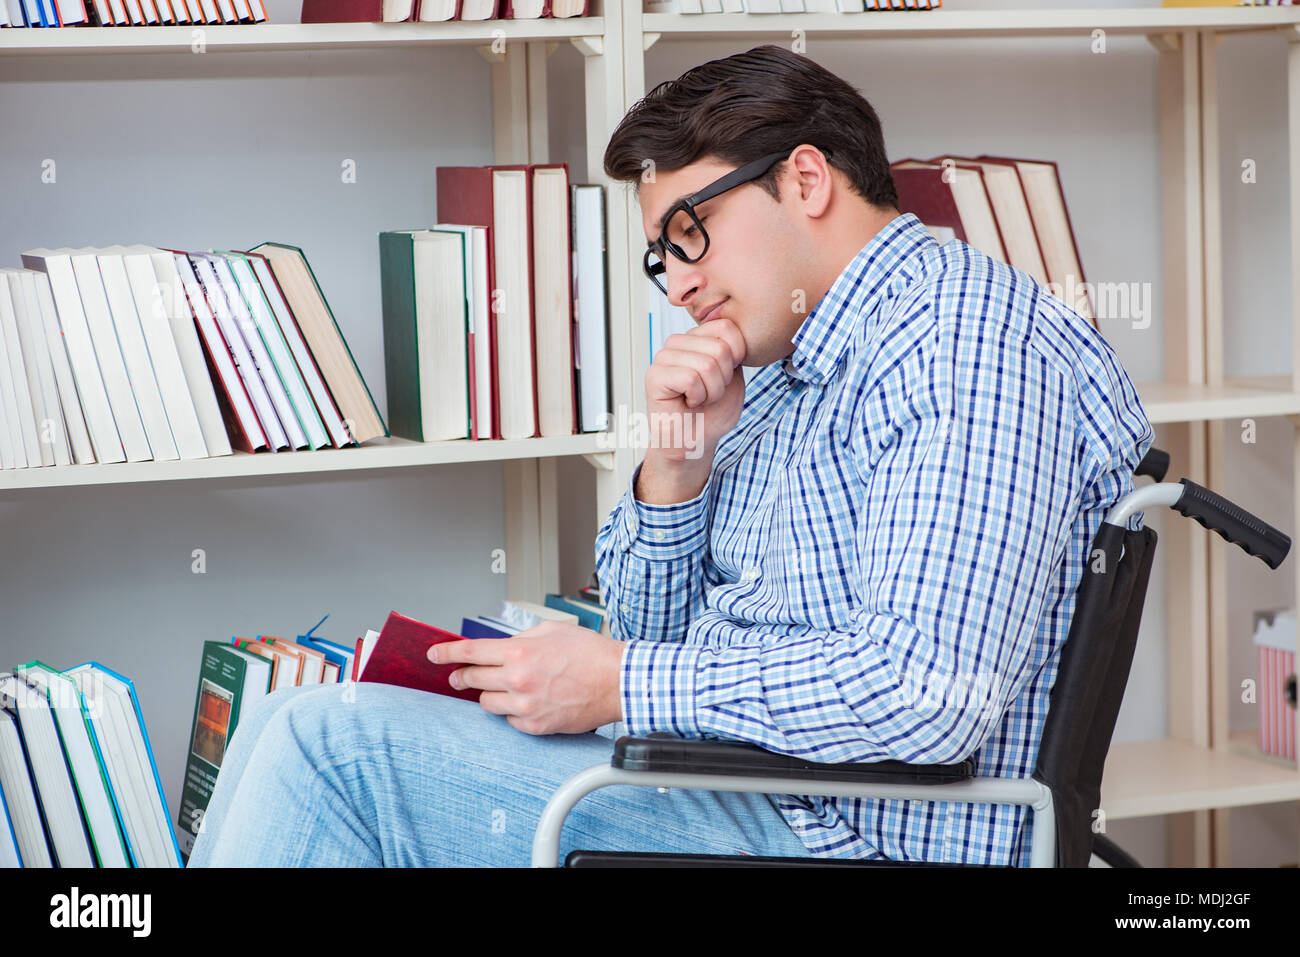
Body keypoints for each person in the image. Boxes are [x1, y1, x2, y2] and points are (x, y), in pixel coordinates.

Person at [187, 43, 1152, 868]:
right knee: (285, 722)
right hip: (738, 784)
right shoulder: (785, 354)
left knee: (328, 749)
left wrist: (615, 682)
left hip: (848, 832)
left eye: (691, 234)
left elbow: (925, 694)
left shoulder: (963, 347)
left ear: (806, 180)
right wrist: (676, 474)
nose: (681, 284)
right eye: (663, 256)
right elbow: (655, 637)